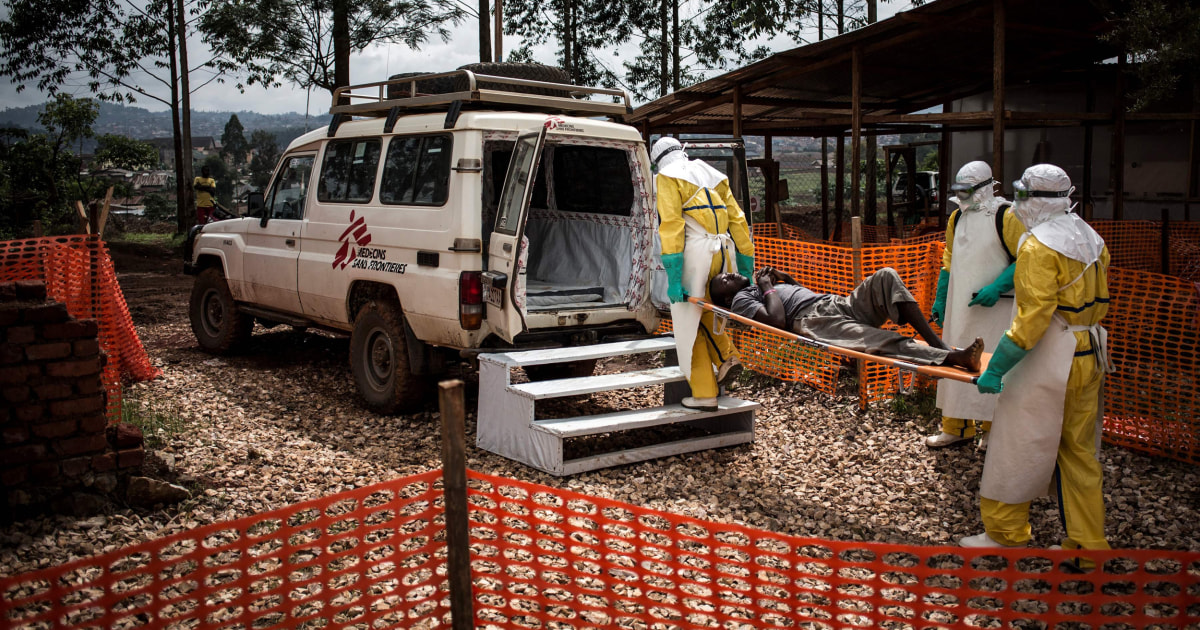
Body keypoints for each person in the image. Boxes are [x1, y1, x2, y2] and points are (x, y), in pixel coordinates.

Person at [962, 164, 1112, 558]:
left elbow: (1032, 322)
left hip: (1048, 358)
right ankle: (1088, 544)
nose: (1017, 202)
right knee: (1079, 452)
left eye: (1022, 194)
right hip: (1089, 353)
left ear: (1033, 199)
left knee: (1016, 444)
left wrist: (995, 369)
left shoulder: (1039, 246)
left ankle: (1005, 534)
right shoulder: (1090, 236)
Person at [709, 267, 983, 371]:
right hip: (815, 321)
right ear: (724, 298)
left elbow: (797, 293)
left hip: (834, 303)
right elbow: (777, 321)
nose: (729, 275)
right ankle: (952, 359)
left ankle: (937, 342)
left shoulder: (756, 288)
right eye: (724, 280)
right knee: (882, 341)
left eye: (727, 272)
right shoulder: (741, 300)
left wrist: (784, 279)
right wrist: (767, 285)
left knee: (886, 277)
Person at [927, 161, 1025, 450]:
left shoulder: (1006, 216)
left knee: (995, 365)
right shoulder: (956, 218)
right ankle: (956, 427)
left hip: (997, 311)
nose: (963, 195)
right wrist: (941, 297)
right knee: (955, 362)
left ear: (985, 187)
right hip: (961, 310)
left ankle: (993, 432)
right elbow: (949, 259)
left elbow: (1027, 257)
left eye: (968, 189)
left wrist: (998, 287)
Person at [653, 137, 755, 411]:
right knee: (711, 310)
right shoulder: (714, 174)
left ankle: (704, 393)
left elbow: (672, 226)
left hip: (695, 255)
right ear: (681, 152)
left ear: (658, 160)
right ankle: (726, 356)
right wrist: (747, 271)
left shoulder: (666, 176)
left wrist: (674, 278)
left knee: (688, 325)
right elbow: (739, 221)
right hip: (725, 252)